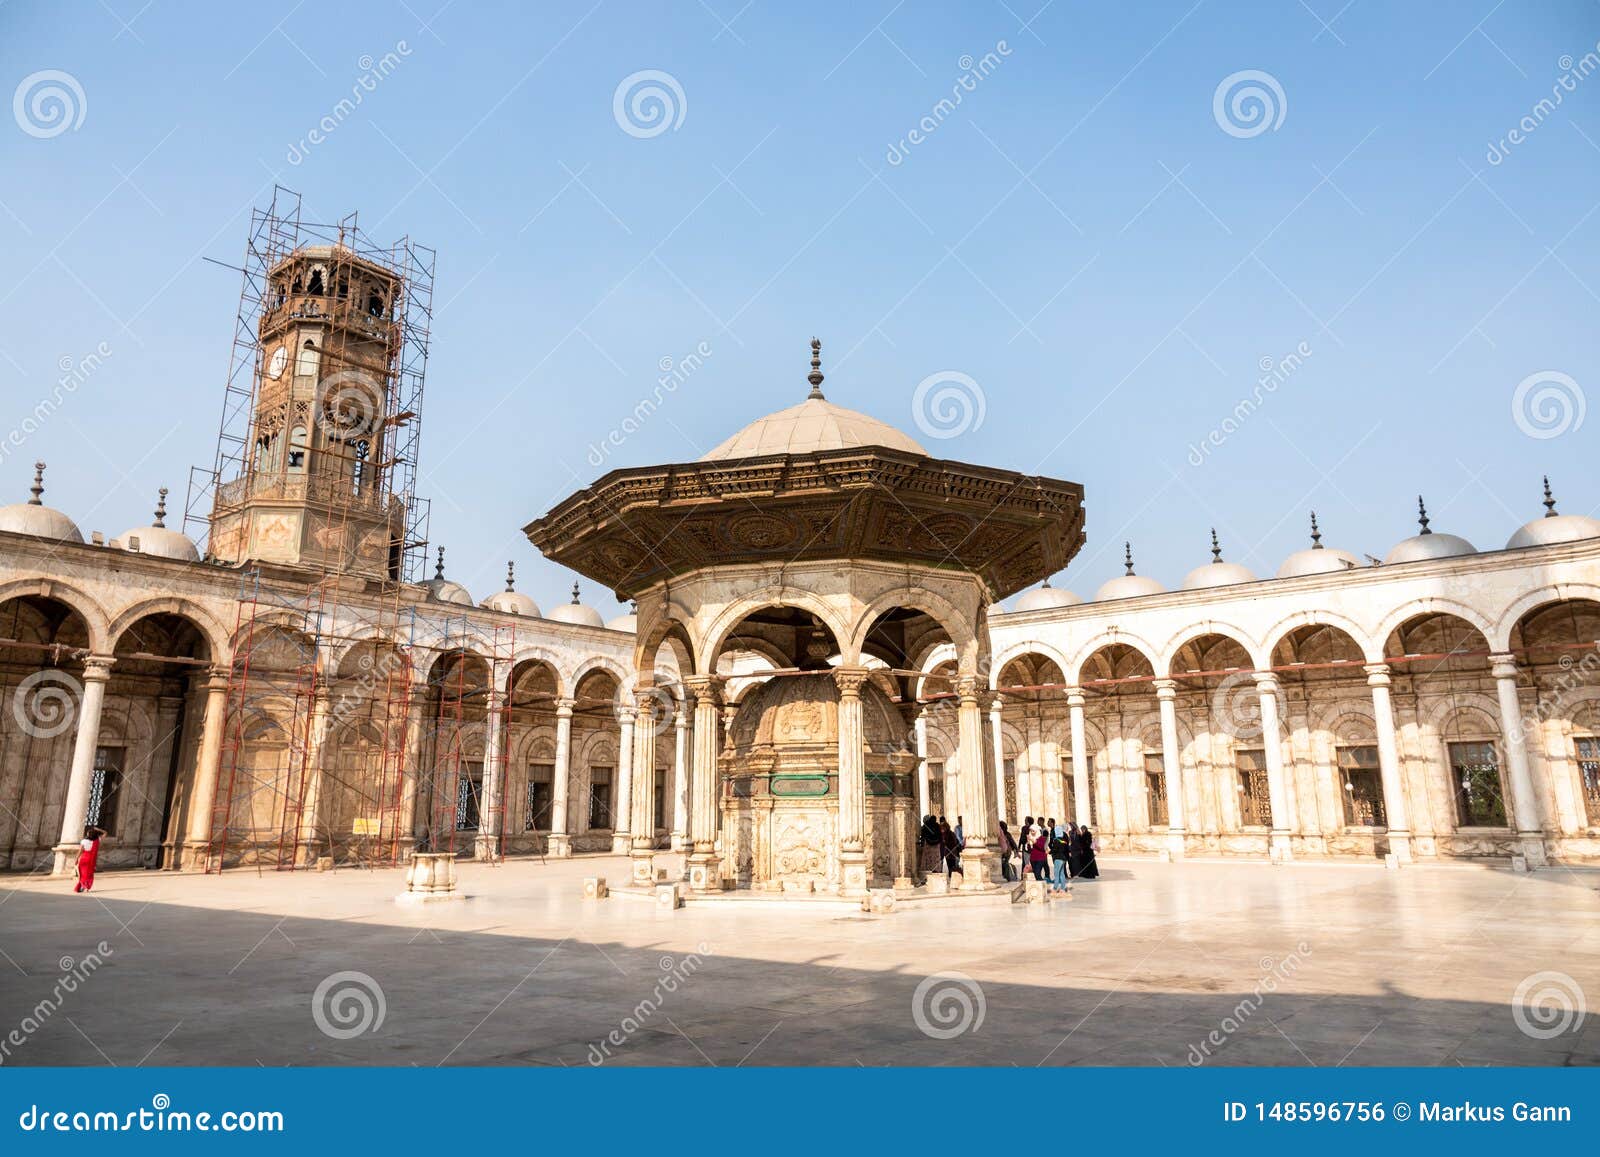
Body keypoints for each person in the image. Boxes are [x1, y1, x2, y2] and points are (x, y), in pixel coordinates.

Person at [74, 825, 103, 893]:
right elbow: (105, 833)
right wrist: (98, 829)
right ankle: (86, 886)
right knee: (88, 874)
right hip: (91, 859)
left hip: (84, 858)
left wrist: (76, 859)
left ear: (88, 834)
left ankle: (82, 886)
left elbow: (80, 851)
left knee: (82, 874)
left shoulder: (84, 841)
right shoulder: (97, 840)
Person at [1049, 820, 1070, 891]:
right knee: (1062, 874)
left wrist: (1049, 852)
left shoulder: (1056, 840)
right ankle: (1063, 887)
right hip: (1063, 859)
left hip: (1057, 859)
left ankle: (1055, 888)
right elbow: (1067, 848)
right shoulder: (1063, 841)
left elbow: (1054, 850)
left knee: (1057, 874)